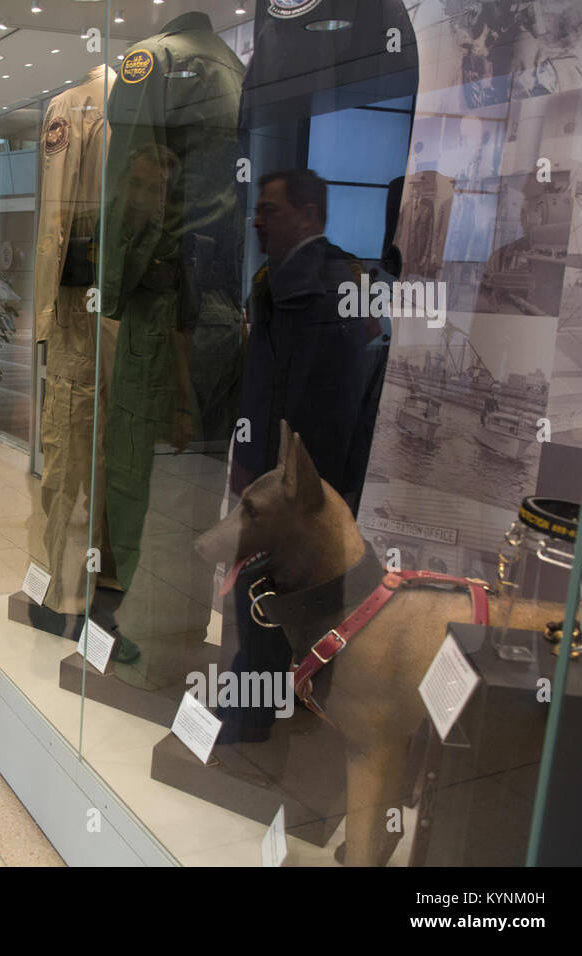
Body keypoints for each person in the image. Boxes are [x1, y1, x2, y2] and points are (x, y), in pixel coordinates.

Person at [223, 168, 387, 743]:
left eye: (271, 208)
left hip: (296, 477)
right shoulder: (282, 277)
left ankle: (253, 713)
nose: (258, 219)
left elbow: (335, 399)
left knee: (270, 590)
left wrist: (294, 484)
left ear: (311, 215)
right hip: (273, 468)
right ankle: (268, 702)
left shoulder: (330, 282)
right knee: (266, 589)